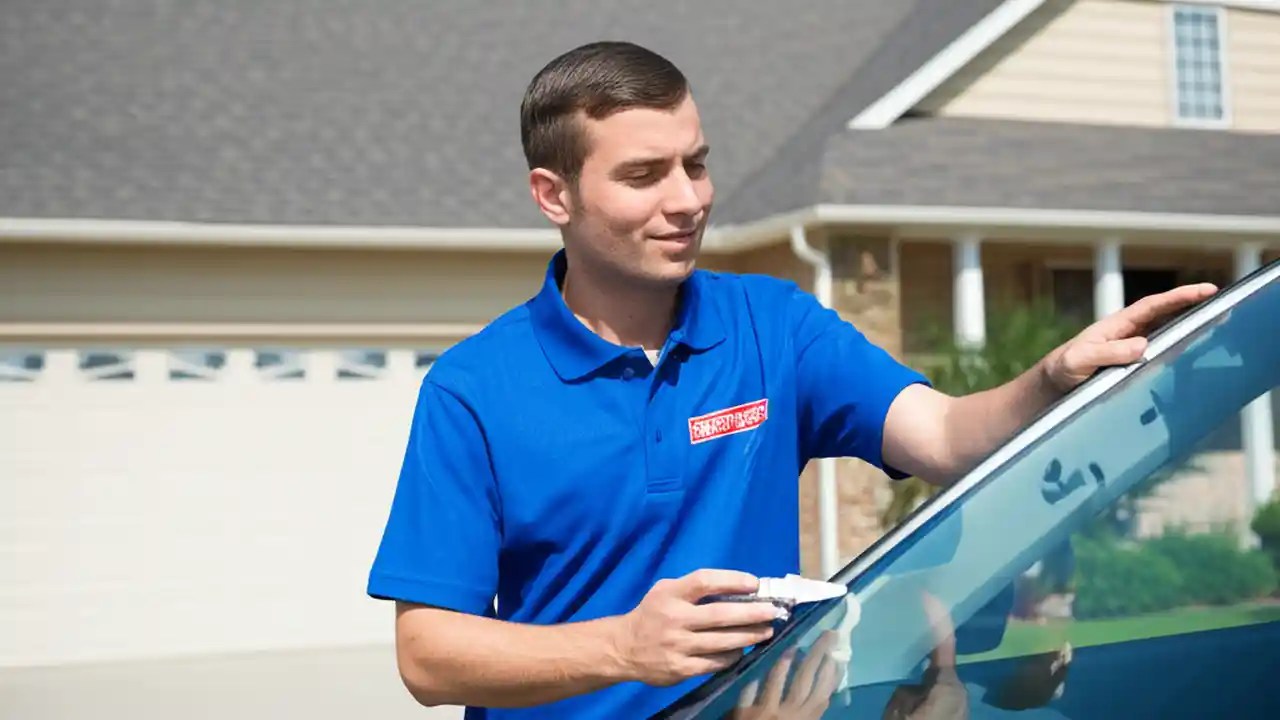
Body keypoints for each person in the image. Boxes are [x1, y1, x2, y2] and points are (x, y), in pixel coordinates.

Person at [366, 41, 1215, 719]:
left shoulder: (773, 327)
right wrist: (623, 649)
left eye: (694, 164)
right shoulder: (474, 390)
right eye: (642, 175)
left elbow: (950, 439)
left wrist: (1051, 377)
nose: (687, 198)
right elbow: (430, 657)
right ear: (553, 195)